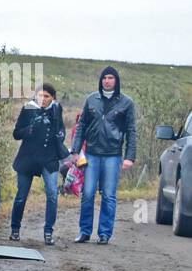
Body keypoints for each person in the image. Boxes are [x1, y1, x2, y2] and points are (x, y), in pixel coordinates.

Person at [70, 65, 136, 244]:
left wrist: (130, 157)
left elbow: (131, 131)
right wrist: (75, 151)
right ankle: (84, 232)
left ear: (116, 81)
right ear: (101, 81)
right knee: (88, 193)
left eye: (110, 78)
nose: (107, 81)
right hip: (91, 154)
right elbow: (81, 126)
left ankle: (105, 234)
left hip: (113, 155)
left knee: (108, 195)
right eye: (104, 78)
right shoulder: (91, 99)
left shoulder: (126, 103)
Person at [9, 83, 66, 244]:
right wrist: (30, 129)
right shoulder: (28, 108)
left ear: (52, 98)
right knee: (21, 196)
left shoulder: (56, 109)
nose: (43, 99)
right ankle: (15, 229)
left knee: (53, 195)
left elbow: (61, 129)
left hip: (49, 158)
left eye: (46, 96)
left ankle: (48, 232)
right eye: (40, 96)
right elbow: (16, 134)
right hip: (28, 157)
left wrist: (60, 135)